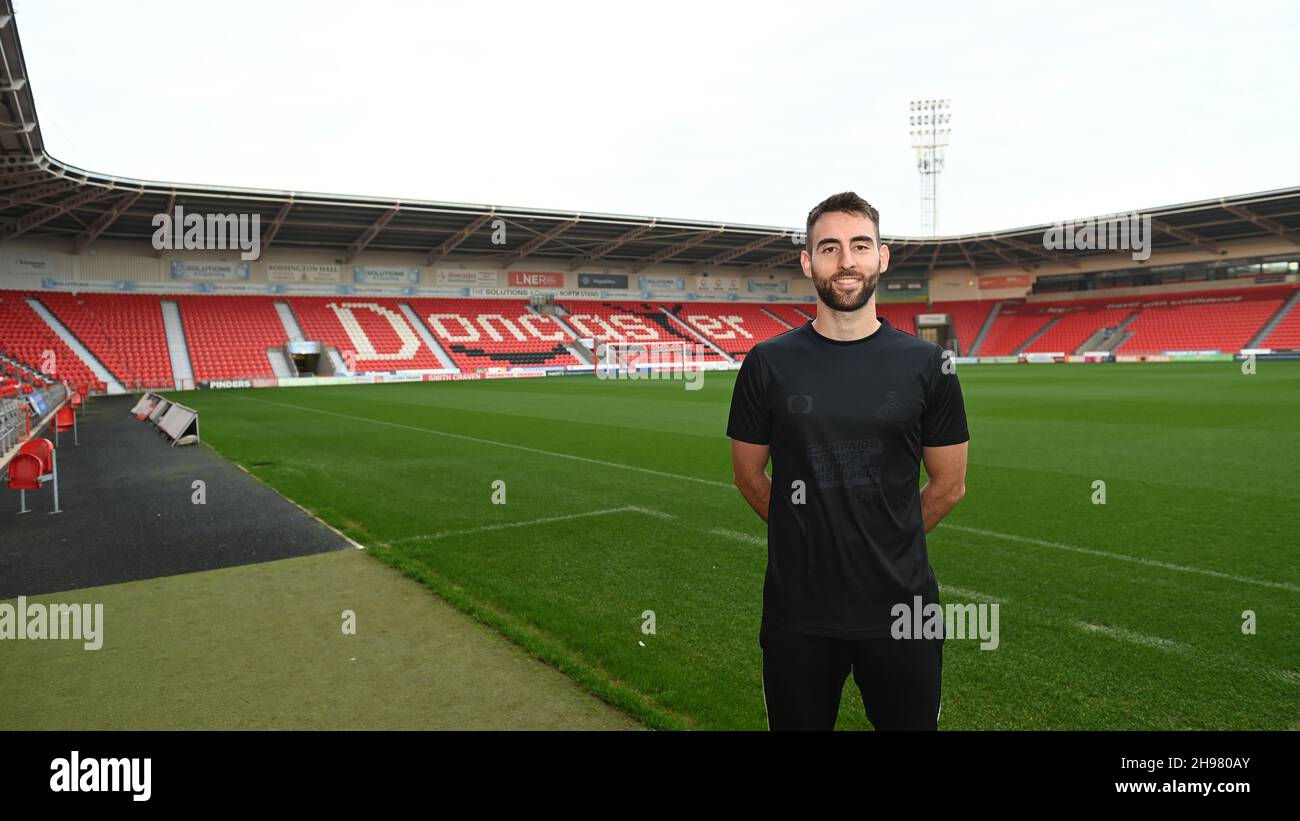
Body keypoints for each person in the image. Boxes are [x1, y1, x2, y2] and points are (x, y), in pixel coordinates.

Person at [727, 191, 969, 731]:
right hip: (799, 615)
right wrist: (806, 532)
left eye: (860, 246)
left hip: (904, 614)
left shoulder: (931, 364)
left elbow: (949, 486)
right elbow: (748, 475)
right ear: (808, 262)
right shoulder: (767, 363)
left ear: (882, 258)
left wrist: (886, 539)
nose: (846, 261)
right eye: (830, 248)